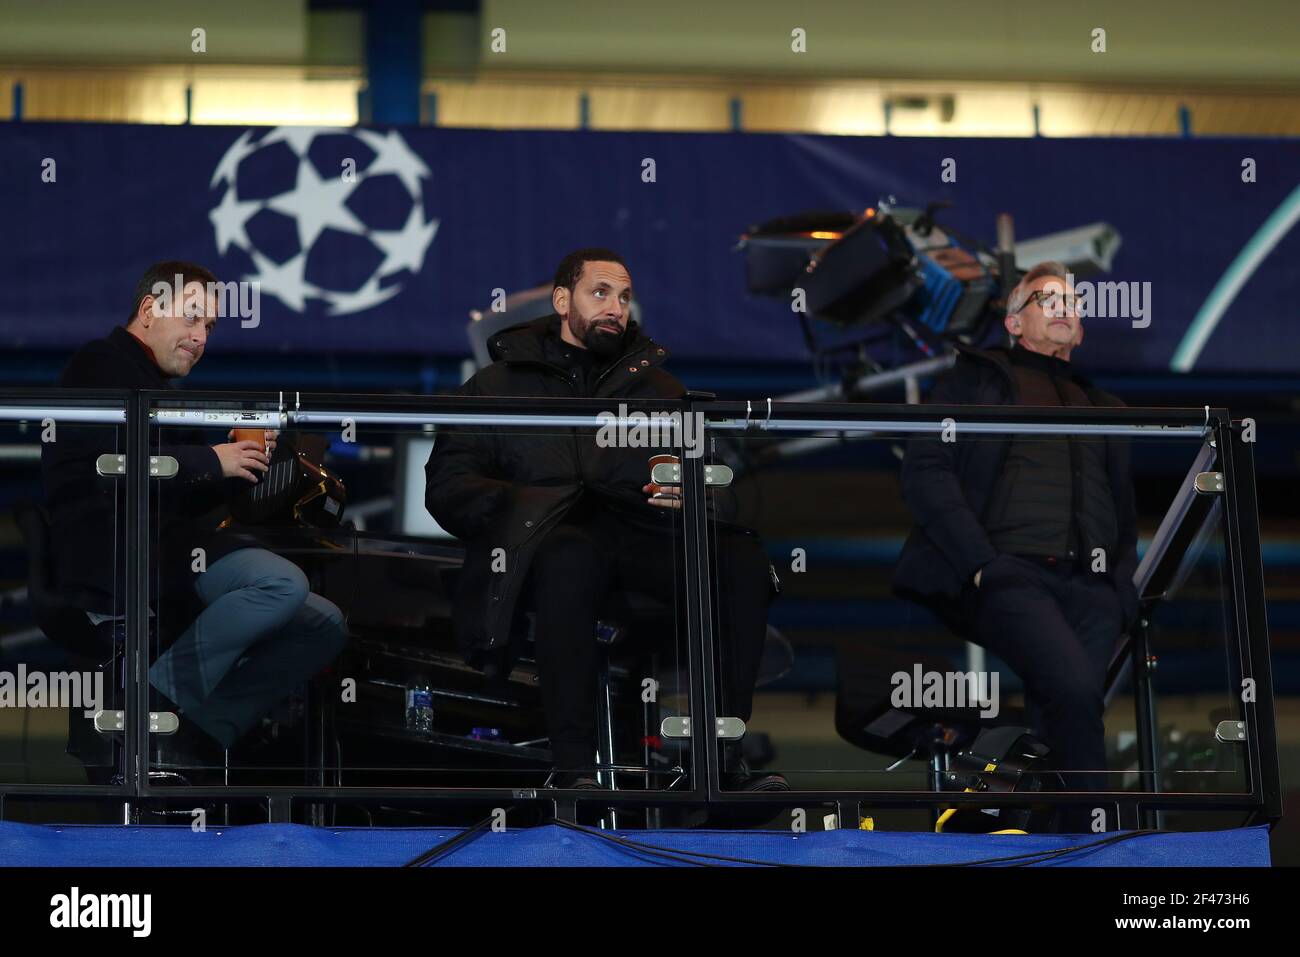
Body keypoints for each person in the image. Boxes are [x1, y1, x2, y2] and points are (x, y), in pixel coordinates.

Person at [425, 247, 786, 790]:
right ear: (562, 299)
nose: (615, 307)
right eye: (600, 293)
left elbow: (717, 487)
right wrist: (526, 506)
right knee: (569, 557)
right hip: (543, 543)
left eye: (623, 297)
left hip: (642, 539)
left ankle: (718, 763)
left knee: (741, 560)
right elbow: (448, 489)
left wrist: (695, 497)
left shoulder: (663, 392)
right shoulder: (496, 386)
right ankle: (574, 771)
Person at [41, 261, 349, 766]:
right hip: (115, 552)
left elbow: (177, 485)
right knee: (280, 584)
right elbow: (110, 466)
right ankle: (153, 705)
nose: (200, 336)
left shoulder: (155, 384)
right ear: (148, 309)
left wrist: (241, 466)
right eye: (191, 318)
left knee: (326, 623)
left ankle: (200, 733)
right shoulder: (99, 363)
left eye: (208, 327)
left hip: (168, 550)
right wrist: (213, 459)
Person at [893, 261, 1140, 825]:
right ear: (1012, 323)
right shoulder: (978, 380)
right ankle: (1090, 843)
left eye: (1071, 301)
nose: (1063, 307)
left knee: (1066, 705)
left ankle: (1029, 834)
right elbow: (926, 469)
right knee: (1076, 693)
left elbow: (1123, 511)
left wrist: (1121, 589)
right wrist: (981, 566)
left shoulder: (1103, 407)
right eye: (1045, 299)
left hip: (1095, 588)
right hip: (1013, 574)